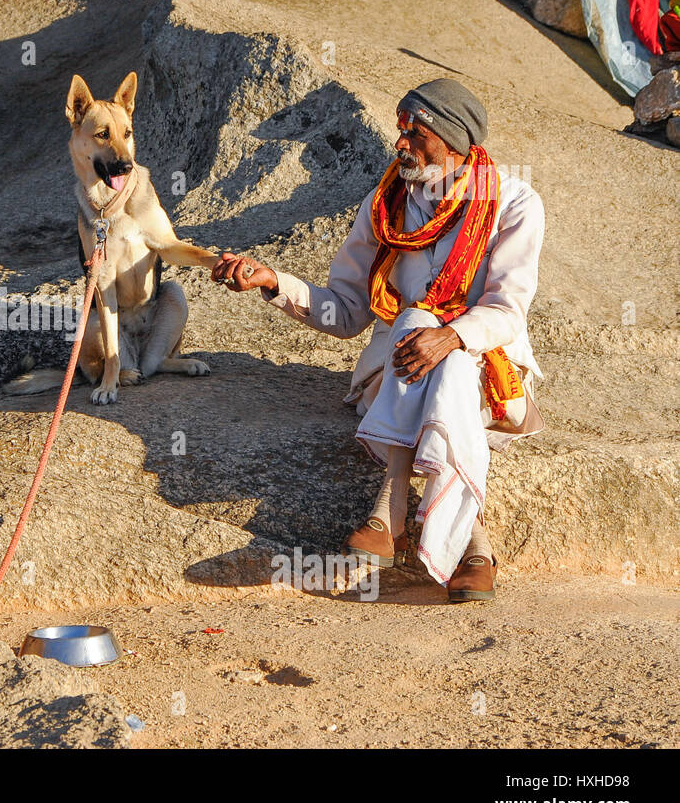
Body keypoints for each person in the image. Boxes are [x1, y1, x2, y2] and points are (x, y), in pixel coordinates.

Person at [212, 79, 545, 602]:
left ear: (453, 138)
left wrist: (452, 336)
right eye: (400, 129)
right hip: (400, 372)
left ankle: (390, 508)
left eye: (416, 132)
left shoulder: (513, 203)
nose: (401, 144)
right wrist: (275, 283)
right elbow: (346, 313)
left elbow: (507, 309)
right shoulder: (385, 204)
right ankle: (474, 549)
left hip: (489, 377)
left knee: (441, 350)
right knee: (418, 329)